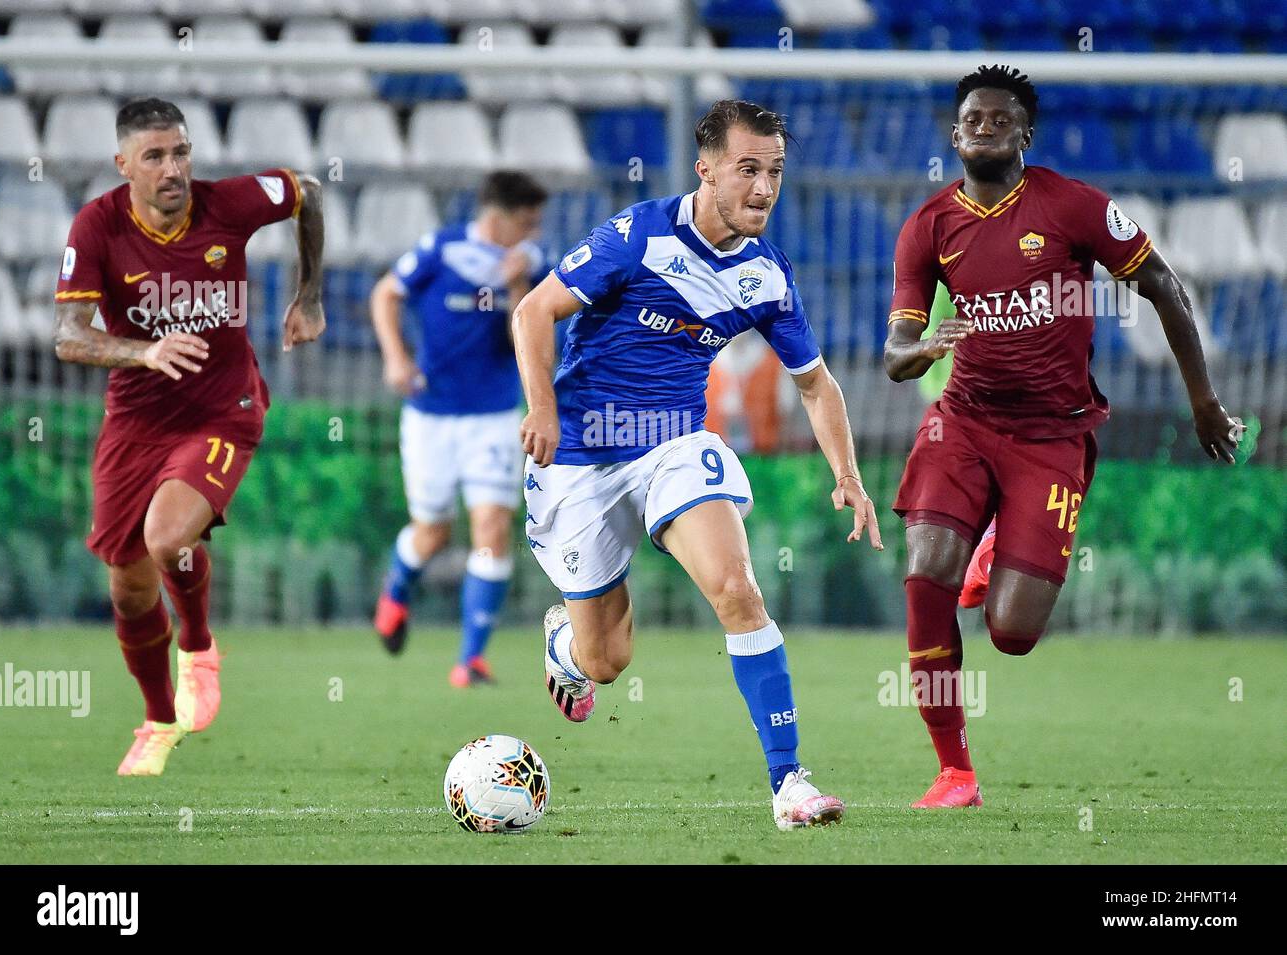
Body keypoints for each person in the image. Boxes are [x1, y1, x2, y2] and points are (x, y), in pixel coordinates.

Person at [513, 100, 883, 829]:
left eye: (775, 171)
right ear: (705, 168)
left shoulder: (766, 276)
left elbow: (814, 382)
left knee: (738, 589)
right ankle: (565, 643)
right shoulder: (638, 236)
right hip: (580, 458)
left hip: (676, 445)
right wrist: (543, 409)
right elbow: (531, 312)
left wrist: (848, 473)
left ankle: (789, 782)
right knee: (607, 661)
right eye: (748, 169)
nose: (764, 187)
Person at [884, 65, 1241, 808]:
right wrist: (921, 350)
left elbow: (1164, 286)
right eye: (972, 119)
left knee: (1012, 632)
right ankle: (954, 771)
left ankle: (995, 543)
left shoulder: (1073, 206)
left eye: (1000, 119)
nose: (985, 128)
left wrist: (1203, 402)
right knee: (925, 572)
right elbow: (894, 354)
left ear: (1025, 135)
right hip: (964, 420)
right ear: (954, 135)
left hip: (1052, 437)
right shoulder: (927, 227)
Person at [53, 98, 324, 775]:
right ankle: (158, 717)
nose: (172, 168)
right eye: (154, 156)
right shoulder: (97, 227)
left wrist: (309, 292)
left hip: (223, 407)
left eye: (180, 152)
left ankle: (199, 647)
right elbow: (68, 338)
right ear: (123, 165)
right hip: (136, 421)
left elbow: (306, 192)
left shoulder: (229, 203)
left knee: (168, 536)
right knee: (128, 588)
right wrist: (142, 353)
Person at [370, 171, 549, 688]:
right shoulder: (440, 249)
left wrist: (517, 281)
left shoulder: (535, 264)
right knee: (433, 531)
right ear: (498, 218)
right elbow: (386, 294)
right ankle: (397, 588)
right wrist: (396, 358)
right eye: (527, 222)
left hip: (493, 416)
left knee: (491, 527)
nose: (534, 232)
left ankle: (470, 659)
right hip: (429, 416)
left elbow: (528, 331)